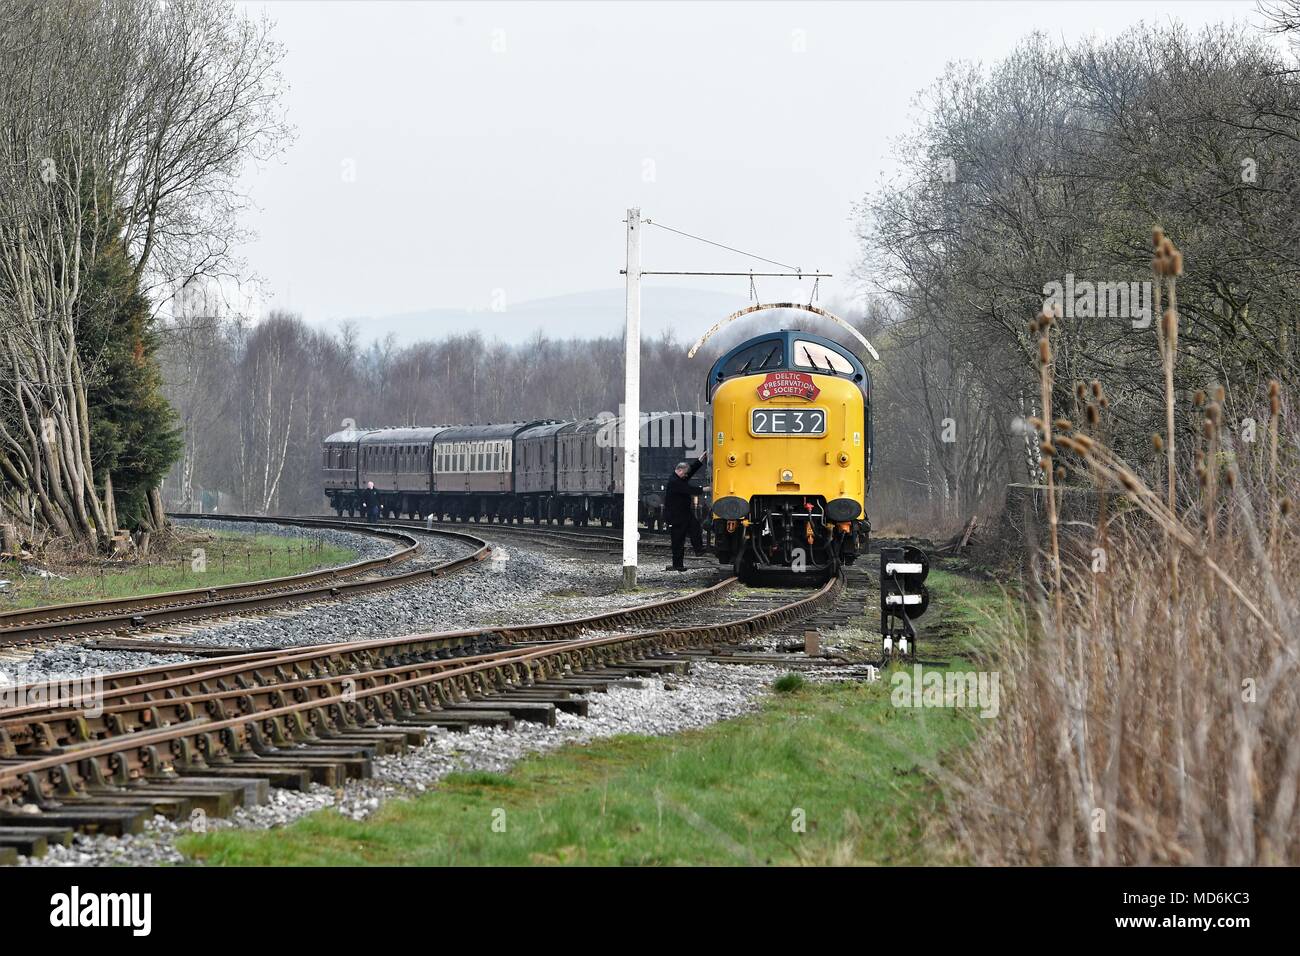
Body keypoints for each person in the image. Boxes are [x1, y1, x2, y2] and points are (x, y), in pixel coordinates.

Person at [664, 451, 706, 572]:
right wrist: (704, 489)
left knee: (695, 527)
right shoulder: (674, 482)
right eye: (685, 474)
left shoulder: (680, 477)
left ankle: (699, 549)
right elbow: (688, 489)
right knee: (678, 541)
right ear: (680, 471)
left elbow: (690, 471)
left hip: (684, 513)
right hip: (675, 516)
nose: (686, 476)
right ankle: (677, 564)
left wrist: (699, 461)